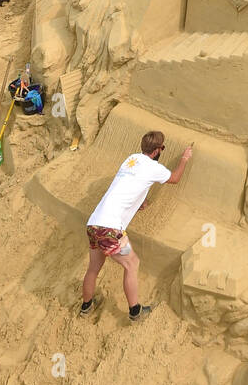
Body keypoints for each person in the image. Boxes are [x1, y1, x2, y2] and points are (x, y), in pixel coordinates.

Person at [80, 131, 193, 323]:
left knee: (93, 268)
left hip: (94, 224)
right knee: (132, 264)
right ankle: (135, 312)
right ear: (158, 150)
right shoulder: (153, 167)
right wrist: (184, 159)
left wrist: (139, 201)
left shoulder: (131, 160)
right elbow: (174, 179)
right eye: (162, 148)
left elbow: (127, 185)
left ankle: (86, 307)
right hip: (110, 230)